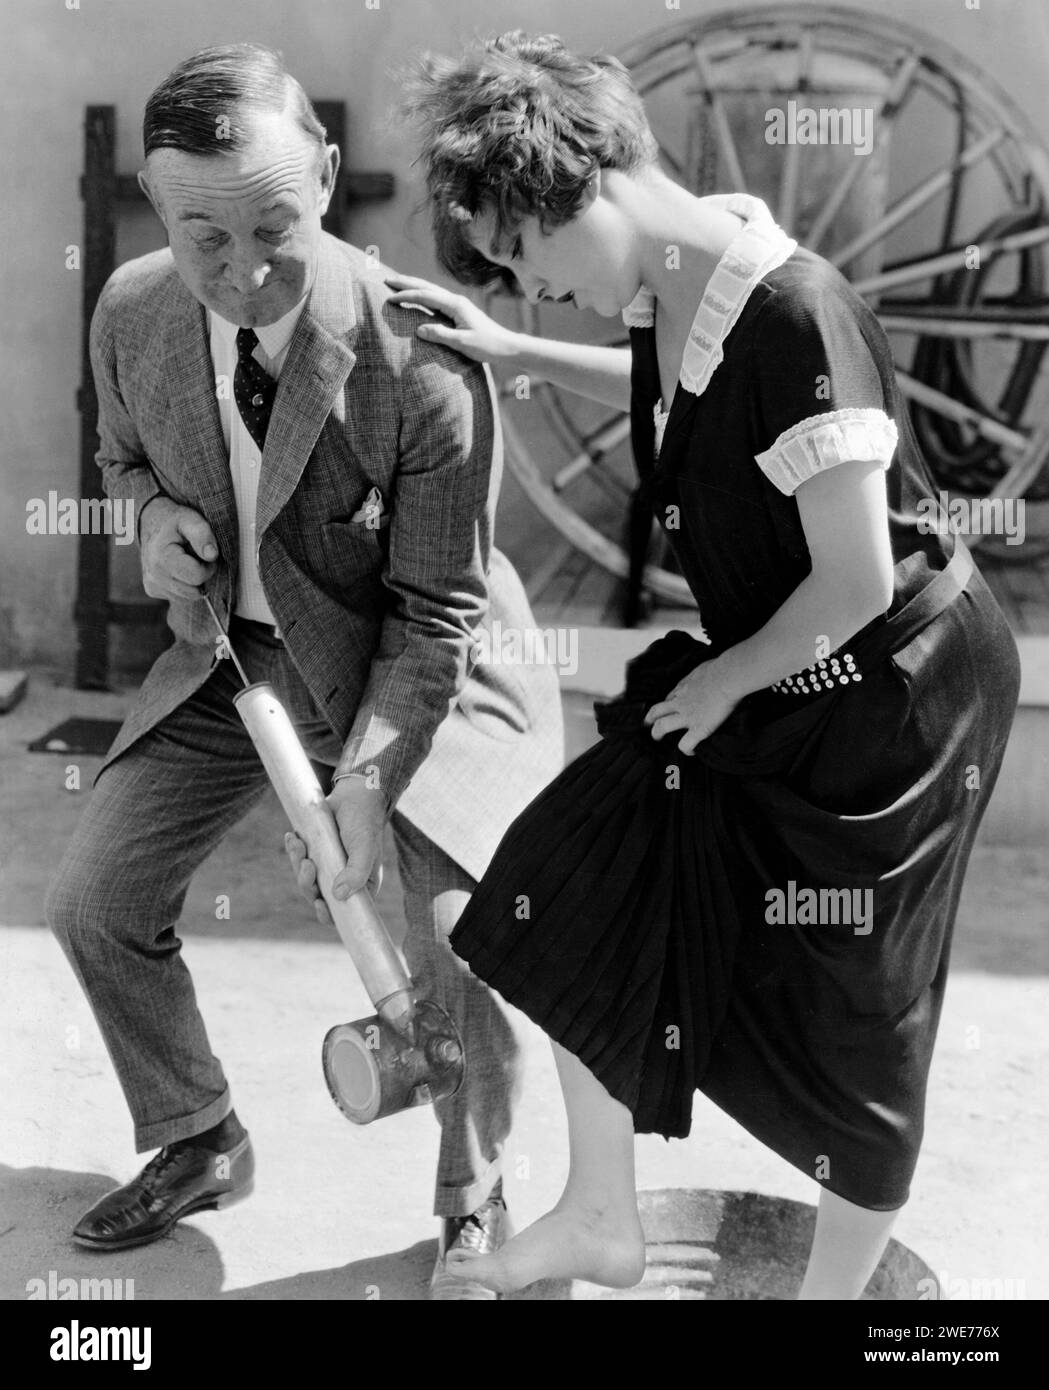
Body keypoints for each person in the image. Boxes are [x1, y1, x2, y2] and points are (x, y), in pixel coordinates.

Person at [373, 30, 1022, 1297]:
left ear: (586, 185)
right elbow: (677, 395)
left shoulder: (793, 310)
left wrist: (722, 684)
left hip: (899, 690)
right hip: (783, 661)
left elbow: (855, 582)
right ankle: (601, 1214)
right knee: (567, 878)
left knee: (856, 997)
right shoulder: (674, 278)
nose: (525, 284)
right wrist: (513, 356)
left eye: (520, 252)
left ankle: (835, 1299)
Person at [44, 42, 563, 1301]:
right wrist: (149, 523)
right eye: (202, 239)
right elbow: (125, 461)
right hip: (237, 657)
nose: (242, 273)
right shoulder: (133, 311)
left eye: (273, 228)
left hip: (417, 663)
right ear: (161, 216)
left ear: (326, 176)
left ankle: (475, 1190)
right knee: (94, 900)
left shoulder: (422, 360)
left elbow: (434, 614)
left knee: (455, 935)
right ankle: (196, 1135)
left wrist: (367, 788)